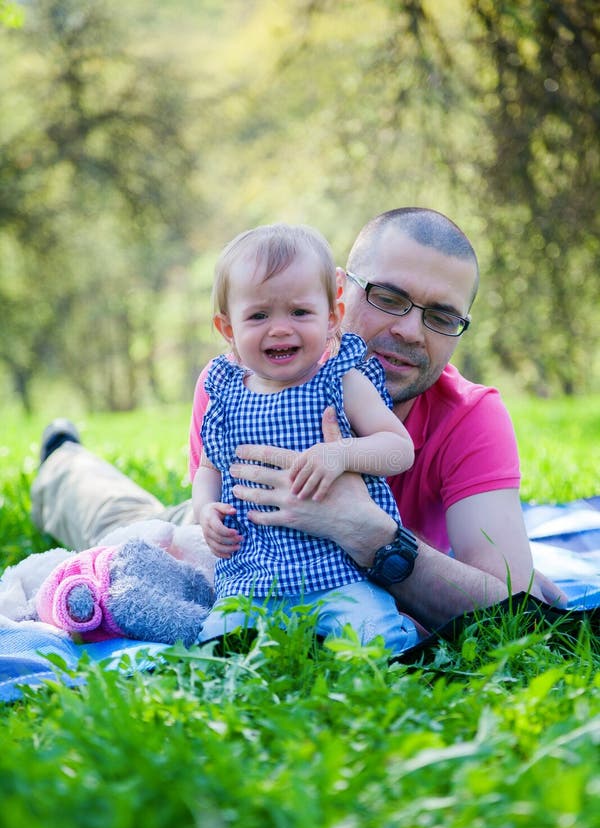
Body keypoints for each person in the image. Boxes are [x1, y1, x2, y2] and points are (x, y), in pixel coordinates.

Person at [31, 206, 565, 638]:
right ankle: (63, 462)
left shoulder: (471, 416)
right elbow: (210, 529)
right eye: (388, 297)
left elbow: (517, 612)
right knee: (121, 520)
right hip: (241, 541)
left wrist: (366, 531)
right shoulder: (243, 379)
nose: (408, 330)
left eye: (442, 316)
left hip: (342, 582)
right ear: (341, 293)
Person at [192, 223, 415, 650]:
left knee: (372, 639)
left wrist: (343, 455)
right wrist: (204, 511)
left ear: (332, 316)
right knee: (219, 645)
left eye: (299, 312)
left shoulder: (340, 380)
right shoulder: (224, 392)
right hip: (251, 577)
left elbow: (398, 449)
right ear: (227, 329)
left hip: (336, 572)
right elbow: (208, 467)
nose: (280, 329)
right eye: (258, 315)